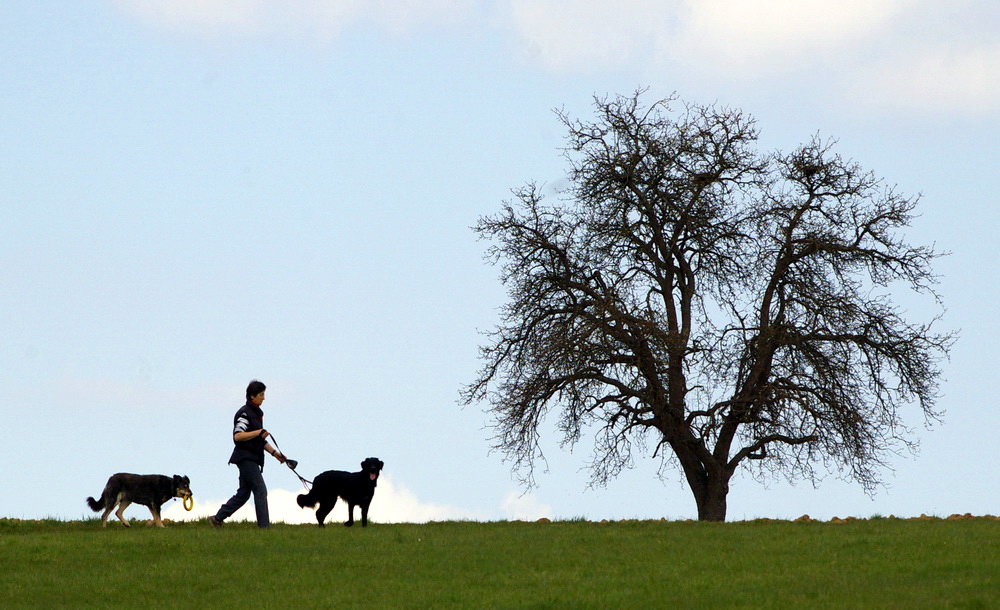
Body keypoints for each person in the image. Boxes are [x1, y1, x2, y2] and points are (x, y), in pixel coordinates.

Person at [209, 380, 292, 529]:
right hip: (246, 458)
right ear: (252, 396)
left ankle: (217, 518)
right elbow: (238, 436)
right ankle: (264, 527)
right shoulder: (244, 413)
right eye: (261, 395)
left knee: (243, 494)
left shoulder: (256, 413)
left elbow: (259, 439)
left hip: (251, 458)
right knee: (260, 490)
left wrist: (275, 454)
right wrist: (258, 432)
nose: (263, 398)